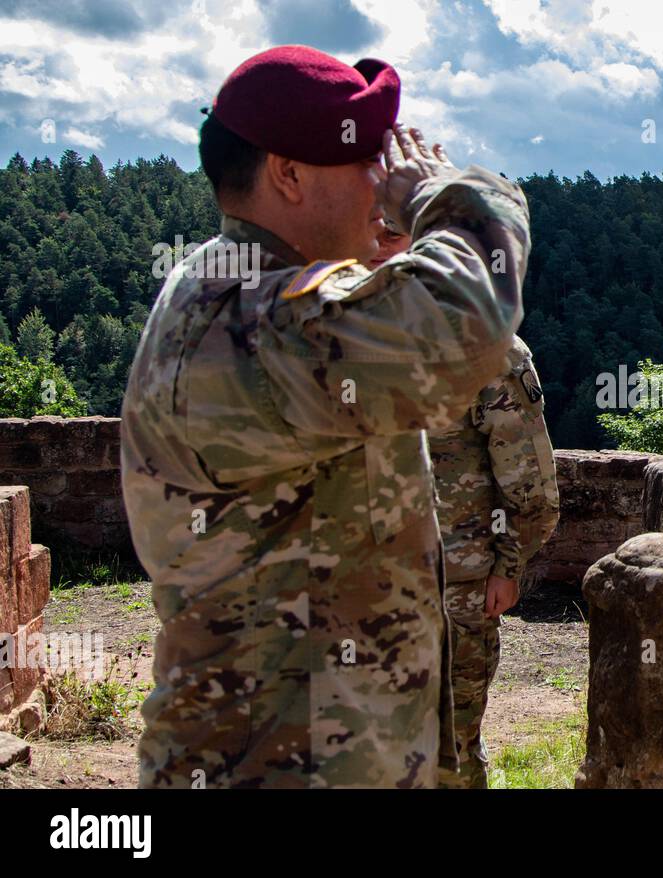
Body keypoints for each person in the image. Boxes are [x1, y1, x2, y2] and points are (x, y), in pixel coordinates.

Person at [120, 44, 529, 788]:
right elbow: (461, 327)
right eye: (367, 157)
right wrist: (448, 194)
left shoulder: (256, 292)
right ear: (288, 173)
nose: (382, 180)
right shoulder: (243, 319)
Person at [365, 229, 561, 789]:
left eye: (395, 227)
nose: (379, 239)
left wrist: (507, 566)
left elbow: (532, 488)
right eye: (370, 221)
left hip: (456, 581)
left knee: (448, 746)